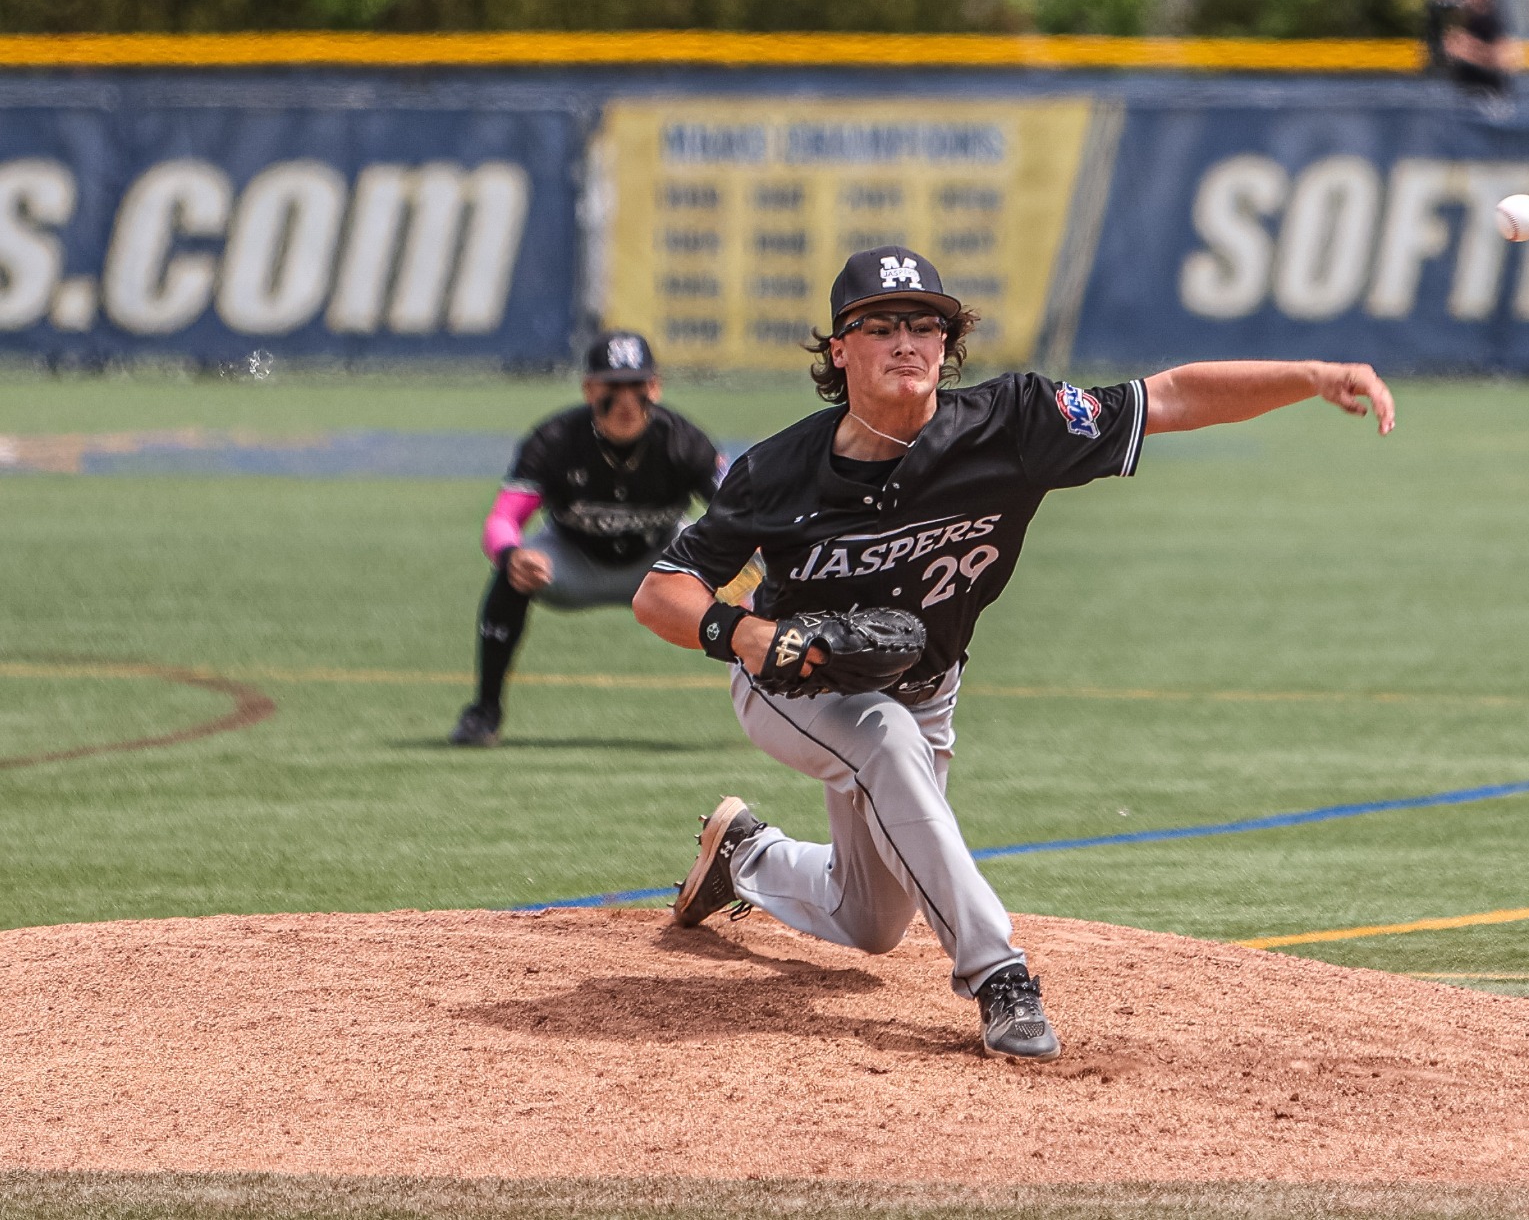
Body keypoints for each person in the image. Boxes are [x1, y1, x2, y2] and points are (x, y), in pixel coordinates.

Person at [631, 246, 1394, 1060]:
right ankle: (1001, 976)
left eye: (926, 324)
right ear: (839, 349)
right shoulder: (778, 471)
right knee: (880, 738)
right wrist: (742, 633)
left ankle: (747, 853)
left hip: (925, 689)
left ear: (947, 346)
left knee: (871, 920)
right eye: (879, 325)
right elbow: (661, 590)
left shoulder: (1014, 424)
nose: (906, 341)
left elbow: (1166, 397)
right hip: (792, 683)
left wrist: (1312, 374)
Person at [449, 332, 723, 747]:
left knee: (756, 576)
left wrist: (750, 560)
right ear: (589, 389)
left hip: (661, 566)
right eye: (613, 388)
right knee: (511, 573)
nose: (627, 402)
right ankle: (484, 712)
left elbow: (740, 512)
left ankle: (779, 701)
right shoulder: (555, 439)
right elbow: (504, 517)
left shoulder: (684, 441)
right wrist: (510, 555)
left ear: (656, 387)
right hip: (572, 558)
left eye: (638, 386)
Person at [1426, 0, 1519, 95]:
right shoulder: (1462, 19)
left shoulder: (1494, 18)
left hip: (1491, 104)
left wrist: (1467, 51)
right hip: (1467, 99)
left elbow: (1505, 60)